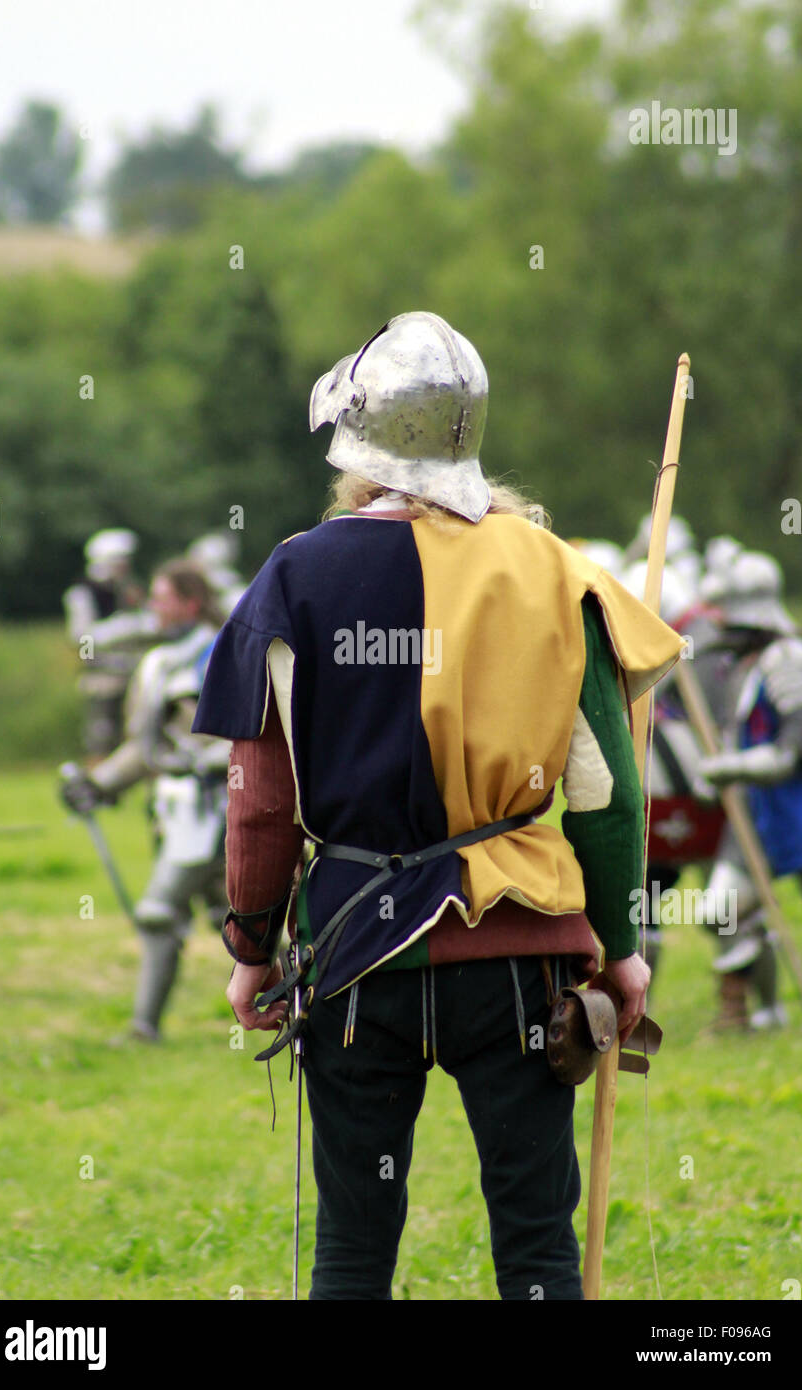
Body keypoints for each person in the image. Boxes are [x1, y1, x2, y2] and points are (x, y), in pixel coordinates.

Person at [193, 311, 684, 1300]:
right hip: (517, 955)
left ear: (355, 443)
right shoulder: (552, 569)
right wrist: (622, 945)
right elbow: (602, 794)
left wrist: (251, 948)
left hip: (350, 958)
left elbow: (259, 807)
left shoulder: (295, 571)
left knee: (353, 1249)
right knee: (538, 1249)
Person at [62, 560, 230, 1041]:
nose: (152, 606)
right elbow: (146, 747)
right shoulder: (157, 662)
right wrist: (101, 783)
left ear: (190, 602)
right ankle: (310, 1012)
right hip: (174, 812)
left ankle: (143, 1028)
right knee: (236, 921)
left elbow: (251, 736)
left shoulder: (221, 653)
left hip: (217, 809)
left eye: (162, 597)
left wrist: (211, 763)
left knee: (161, 914)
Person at [692, 551, 802, 1028]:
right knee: (720, 910)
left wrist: (730, 767)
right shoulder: (741, 666)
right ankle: (760, 1011)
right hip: (755, 810)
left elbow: (794, 747)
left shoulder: (789, 658)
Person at [63, 528, 157, 757]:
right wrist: (122, 627)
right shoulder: (83, 593)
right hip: (102, 676)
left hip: (135, 673)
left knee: (140, 735)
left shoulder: (129, 590)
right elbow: (81, 638)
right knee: (101, 738)